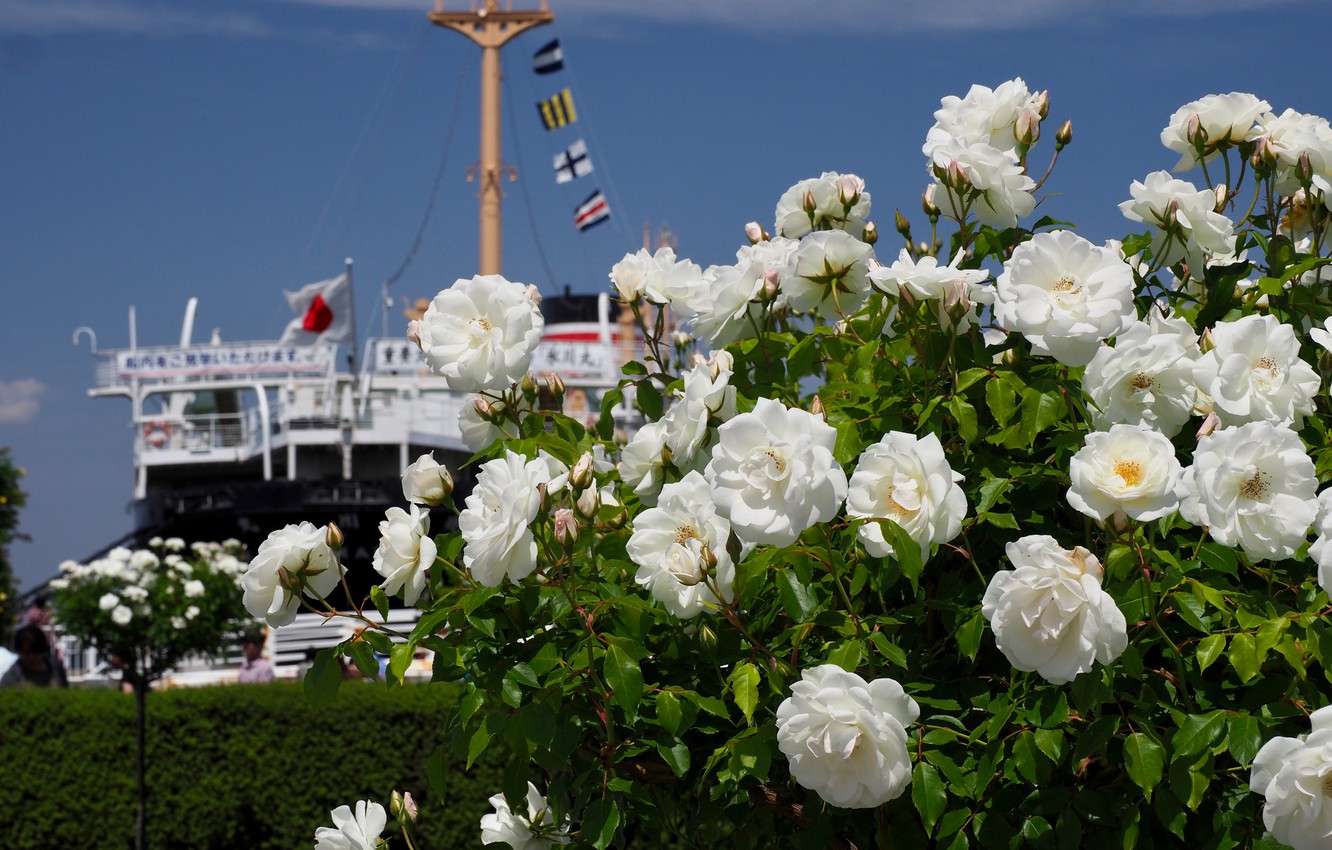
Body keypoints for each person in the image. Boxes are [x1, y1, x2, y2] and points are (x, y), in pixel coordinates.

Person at [0, 624, 69, 688]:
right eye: (27, 653)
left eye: (35, 652)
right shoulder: (12, 676)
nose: (31, 657)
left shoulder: (56, 667)